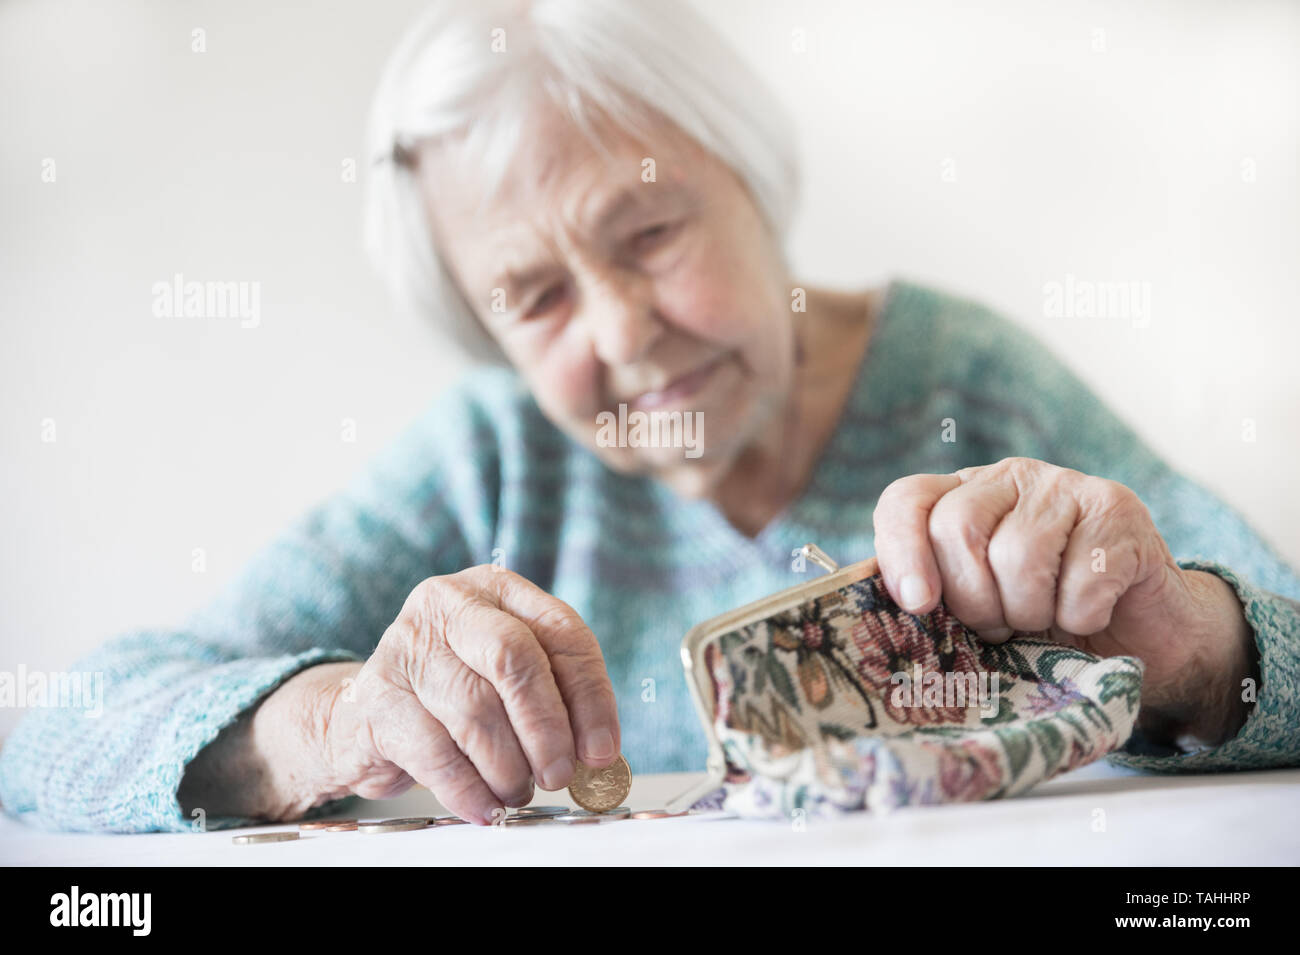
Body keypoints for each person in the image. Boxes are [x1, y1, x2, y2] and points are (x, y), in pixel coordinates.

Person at [2, 0, 1296, 833]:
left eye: (653, 231)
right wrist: (331, 723)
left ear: (754, 184)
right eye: (535, 296)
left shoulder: (969, 382)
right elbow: (52, 735)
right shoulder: (488, 459)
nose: (624, 335)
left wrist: (1187, 645)